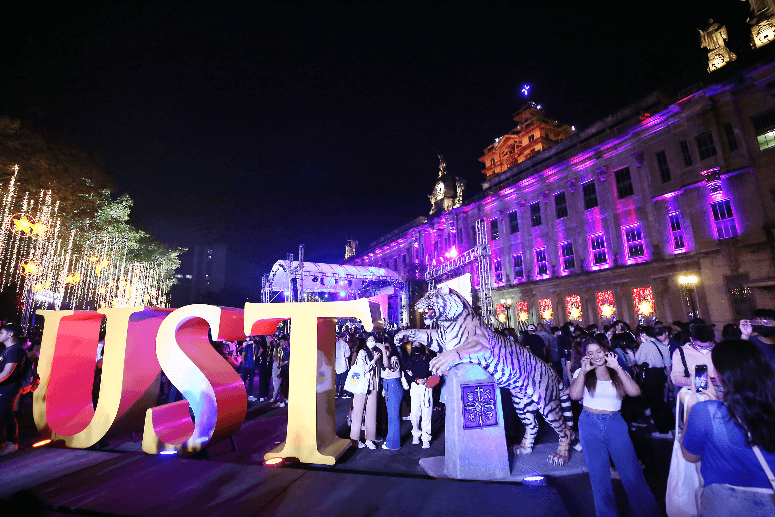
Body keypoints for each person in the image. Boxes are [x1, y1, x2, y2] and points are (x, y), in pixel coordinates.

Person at [681, 339, 775, 516]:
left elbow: (690, 456)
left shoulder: (706, 411)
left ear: (719, 375)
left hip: (724, 504)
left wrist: (691, 409)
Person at [569, 338, 661, 517]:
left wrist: (617, 367)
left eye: (599, 351)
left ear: (606, 350)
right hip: (589, 423)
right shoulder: (582, 372)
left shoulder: (618, 371)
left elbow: (635, 392)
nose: (596, 356)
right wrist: (583, 372)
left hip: (614, 423)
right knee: (598, 475)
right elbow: (575, 395)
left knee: (631, 472)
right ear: (586, 355)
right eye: (590, 352)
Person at [634, 327, 673, 438]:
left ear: (645, 335)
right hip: (661, 374)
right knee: (661, 400)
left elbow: (638, 360)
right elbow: (668, 364)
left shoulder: (645, 345)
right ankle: (670, 425)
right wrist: (668, 380)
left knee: (654, 402)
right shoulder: (662, 345)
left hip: (651, 374)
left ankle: (663, 430)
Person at [349, 336, 382, 449]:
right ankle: (355, 439)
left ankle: (369, 439)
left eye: (373, 340)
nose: (372, 342)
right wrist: (374, 360)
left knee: (372, 413)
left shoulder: (377, 352)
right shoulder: (362, 353)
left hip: (373, 385)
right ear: (366, 342)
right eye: (370, 340)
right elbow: (363, 369)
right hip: (362, 385)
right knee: (358, 412)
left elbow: (378, 371)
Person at [0, 324, 26, 456]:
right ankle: (4, 442)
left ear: (10, 334)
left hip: (10, 387)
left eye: (1, 333)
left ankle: (11, 443)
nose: (0, 335)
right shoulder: (7, 350)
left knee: (5, 413)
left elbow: (7, 372)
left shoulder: (14, 350)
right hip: (4, 387)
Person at [671, 323, 717, 391]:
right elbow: (676, 378)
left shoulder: (718, 349)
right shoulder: (680, 352)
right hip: (695, 394)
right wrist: (700, 381)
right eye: (701, 347)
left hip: (719, 393)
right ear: (691, 340)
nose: (705, 349)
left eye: (709, 347)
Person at [405, 342, 433, 448]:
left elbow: (431, 371)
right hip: (415, 386)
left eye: (418, 345)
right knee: (415, 412)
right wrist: (416, 379)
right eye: (414, 345)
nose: (415, 347)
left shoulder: (427, 357)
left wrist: (427, 379)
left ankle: (426, 438)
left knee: (427, 412)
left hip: (427, 386)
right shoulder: (409, 358)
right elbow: (406, 373)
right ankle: (416, 434)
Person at [380, 341, 402, 450]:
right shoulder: (385, 358)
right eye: (384, 347)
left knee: (393, 416)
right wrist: (384, 388)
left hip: (393, 385)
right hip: (388, 385)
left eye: (387, 347)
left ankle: (393, 444)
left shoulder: (394, 358)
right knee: (391, 416)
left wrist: (383, 350)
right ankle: (391, 440)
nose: (385, 349)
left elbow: (387, 366)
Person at [335, 334, 350, 398]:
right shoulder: (345, 345)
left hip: (336, 364)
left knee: (337, 380)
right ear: (344, 337)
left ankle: (336, 393)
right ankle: (344, 394)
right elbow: (347, 355)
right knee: (344, 380)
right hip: (343, 364)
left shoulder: (335, 344)